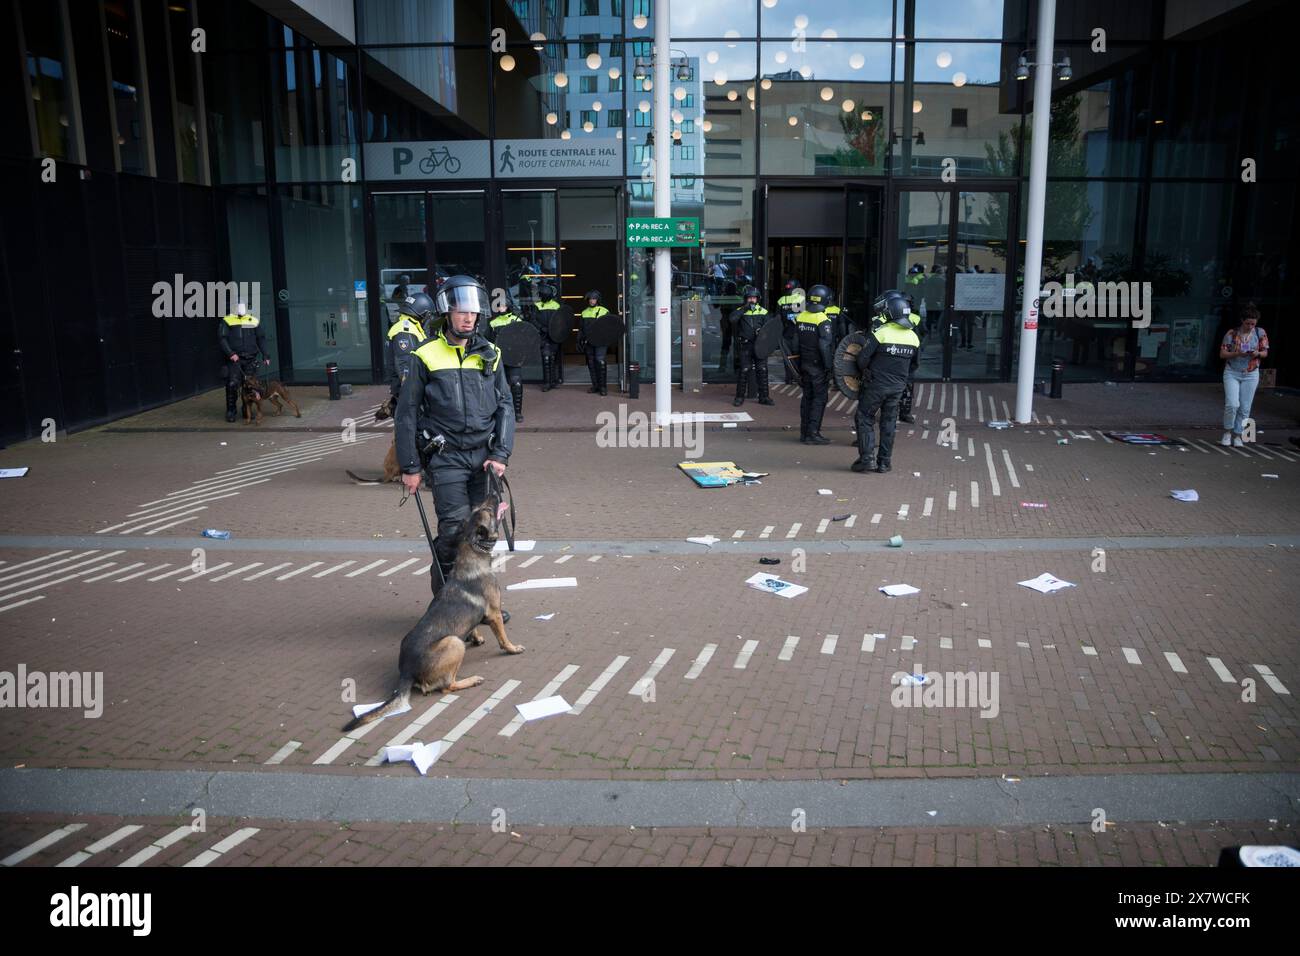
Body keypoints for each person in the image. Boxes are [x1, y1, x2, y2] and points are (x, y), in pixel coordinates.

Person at [396, 276, 515, 598]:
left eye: (473, 313)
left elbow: (505, 404)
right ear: (447, 313)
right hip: (446, 457)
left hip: (484, 457)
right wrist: (410, 466)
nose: (468, 318)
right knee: (451, 534)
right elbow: (406, 412)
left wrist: (501, 454)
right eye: (461, 312)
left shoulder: (491, 353)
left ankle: (479, 603)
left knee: (482, 534)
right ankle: (446, 606)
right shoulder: (425, 355)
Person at [851, 291, 921, 474]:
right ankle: (884, 463)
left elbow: (862, 358)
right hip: (897, 387)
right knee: (889, 421)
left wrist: (865, 371)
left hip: (876, 385)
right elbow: (915, 365)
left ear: (890, 313)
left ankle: (867, 460)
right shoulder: (913, 337)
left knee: (864, 417)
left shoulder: (881, 333)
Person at [1219, 302, 1269, 447]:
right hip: (1232, 371)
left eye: (1253, 324)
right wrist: (1237, 353)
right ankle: (1227, 432)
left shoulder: (1260, 333)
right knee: (1232, 404)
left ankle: (1239, 435)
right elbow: (1222, 354)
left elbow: (1265, 352)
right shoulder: (1232, 333)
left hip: (1251, 373)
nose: (1250, 326)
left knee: (1245, 407)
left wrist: (1257, 353)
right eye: (1248, 323)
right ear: (1242, 320)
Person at [792, 284, 836, 444]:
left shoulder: (801, 316)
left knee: (807, 398)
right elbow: (824, 346)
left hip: (804, 363)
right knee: (819, 399)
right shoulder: (823, 320)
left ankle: (804, 433)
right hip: (818, 366)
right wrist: (828, 367)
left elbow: (795, 343)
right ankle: (813, 434)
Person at [380, 291, 434, 417]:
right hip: (409, 396)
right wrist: (415, 397)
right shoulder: (406, 331)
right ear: (422, 314)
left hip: (407, 394)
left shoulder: (408, 327)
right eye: (428, 316)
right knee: (409, 433)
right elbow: (406, 368)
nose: (429, 320)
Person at [218, 302, 270, 423]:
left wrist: (266, 355)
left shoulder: (252, 320)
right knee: (232, 384)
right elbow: (222, 338)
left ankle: (246, 409)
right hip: (235, 359)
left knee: (250, 386)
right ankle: (231, 410)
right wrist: (231, 353)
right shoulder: (227, 320)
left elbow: (261, 338)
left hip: (250, 358)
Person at [731, 285, 775, 408]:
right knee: (744, 370)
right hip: (746, 345)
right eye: (749, 298)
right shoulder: (740, 310)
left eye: (754, 298)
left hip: (760, 345)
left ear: (758, 299)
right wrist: (744, 309)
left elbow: (770, 329)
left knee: (762, 370)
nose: (752, 300)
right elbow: (732, 319)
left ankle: (764, 397)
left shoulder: (763, 312)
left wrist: (762, 332)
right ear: (745, 299)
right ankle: (739, 397)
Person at [486, 292, 528, 422]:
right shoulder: (493, 323)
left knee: (516, 384)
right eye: (499, 306)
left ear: (508, 306)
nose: (501, 308)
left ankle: (517, 413)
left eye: (503, 306)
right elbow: (489, 342)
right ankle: (501, 412)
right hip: (498, 359)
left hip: (514, 358)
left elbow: (523, 340)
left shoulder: (516, 320)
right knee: (497, 387)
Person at [529, 282, 568, 391]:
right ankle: (547, 383)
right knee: (546, 357)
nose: (540, 296)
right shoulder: (537, 305)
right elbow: (533, 320)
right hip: (543, 335)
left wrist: (556, 330)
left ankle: (552, 381)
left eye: (541, 294)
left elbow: (561, 320)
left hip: (554, 335)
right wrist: (541, 328)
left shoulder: (556, 305)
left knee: (552, 358)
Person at [578, 289, 612, 396]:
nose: (592, 301)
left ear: (597, 300)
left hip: (601, 342)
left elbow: (609, 327)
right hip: (588, 342)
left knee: (600, 362)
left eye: (594, 299)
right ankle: (595, 386)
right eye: (590, 299)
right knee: (591, 363)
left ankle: (603, 387)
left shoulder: (604, 311)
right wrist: (579, 340)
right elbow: (581, 328)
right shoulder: (584, 312)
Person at [777, 278, 803, 384]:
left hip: (786, 331)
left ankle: (789, 378)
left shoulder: (781, 300)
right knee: (798, 354)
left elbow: (777, 318)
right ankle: (798, 376)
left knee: (787, 356)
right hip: (799, 331)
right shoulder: (802, 299)